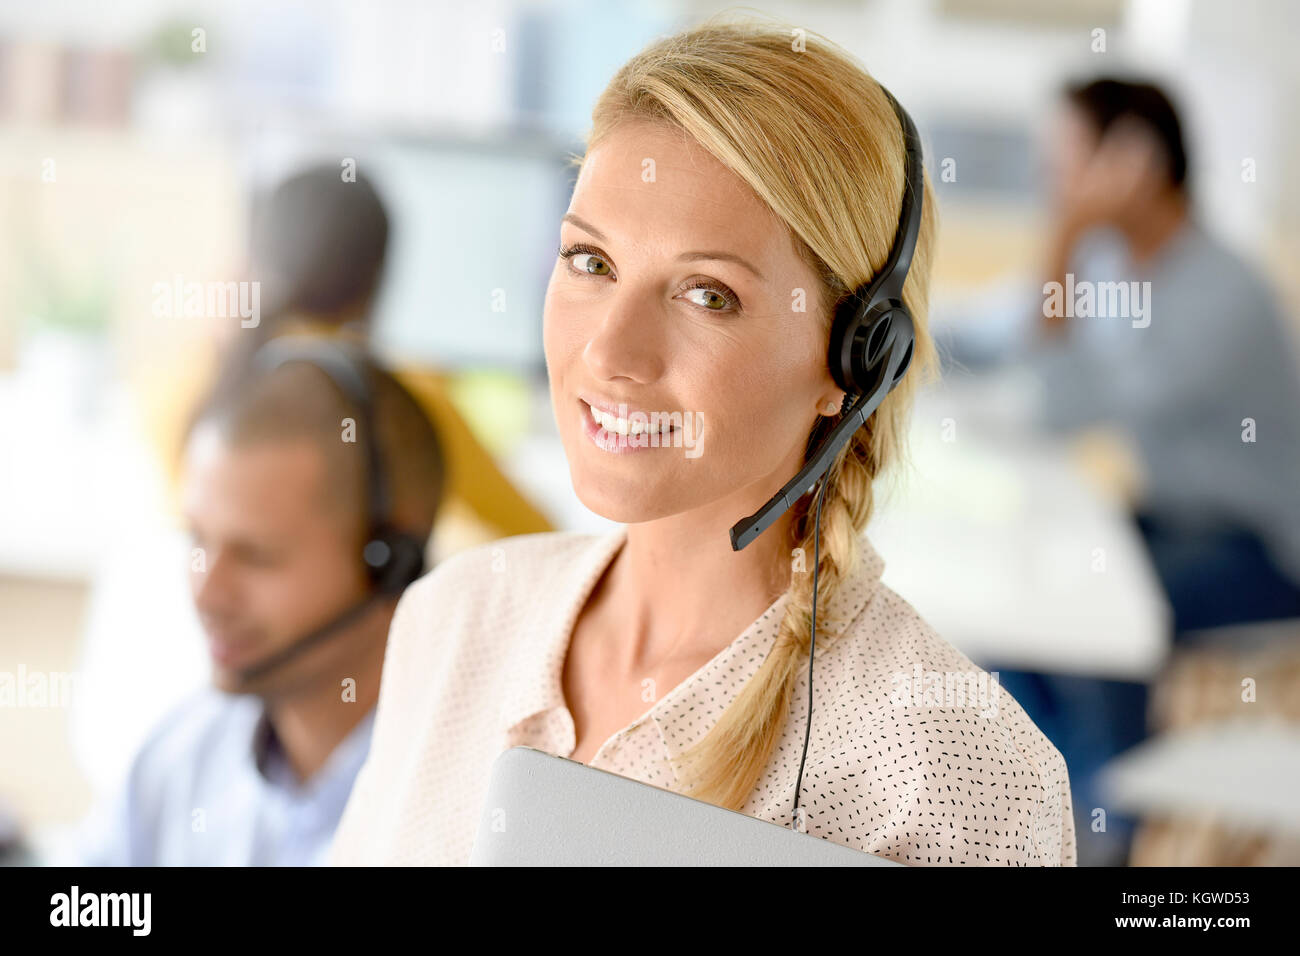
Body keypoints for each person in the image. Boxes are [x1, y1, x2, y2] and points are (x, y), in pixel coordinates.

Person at [329, 17, 1076, 866]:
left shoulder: (958, 771)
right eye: (591, 262)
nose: (610, 353)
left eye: (707, 295)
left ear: (854, 360)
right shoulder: (454, 618)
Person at [998, 77, 1300, 866]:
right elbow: (1030, 362)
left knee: (1090, 611)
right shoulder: (1115, 269)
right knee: (1018, 604)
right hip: (1172, 519)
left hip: (1261, 551)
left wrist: (1062, 237)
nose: (1051, 182)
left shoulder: (1222, 290)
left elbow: (1061, 406)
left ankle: (1108, 830)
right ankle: (1065, 788)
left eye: (1064, 160)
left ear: (1136, 160)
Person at [75, 345, 444, 865]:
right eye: (198, 540)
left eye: (257, 557)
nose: (207, 593)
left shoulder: (469, 795)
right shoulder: (180, 756)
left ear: (390, 562)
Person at [136, 163, 554, 551]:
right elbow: (541, 538)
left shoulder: (180, 390)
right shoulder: (409, 402)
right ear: (374, 281)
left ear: (257, 259)